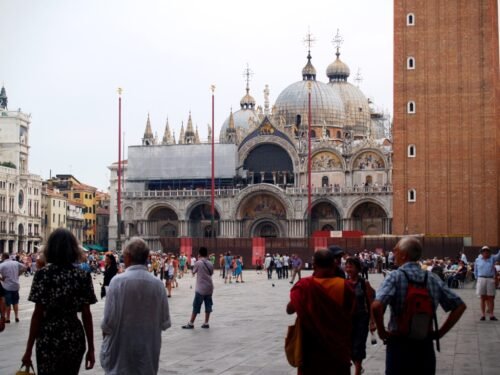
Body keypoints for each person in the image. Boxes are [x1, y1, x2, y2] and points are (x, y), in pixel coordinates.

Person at [372, 237, 466, 375]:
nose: (393, 251)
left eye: (396, 249)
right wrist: (440, 333)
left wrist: (381, 331)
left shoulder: (395, 276)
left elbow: (376, 306)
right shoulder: (432, 278)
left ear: (404, 255)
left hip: (399, 344)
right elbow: (459, 306)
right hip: (424, 343)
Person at [21, 228, 97, 374]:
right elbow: (87, 314)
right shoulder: (82, 276)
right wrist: (91, 349)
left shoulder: (42, 275)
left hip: (48, 335)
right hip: (73, 335)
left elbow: (38, 314)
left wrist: (28, 349)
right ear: (74, 249)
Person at [100, 237, 171, 374]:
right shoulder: (158, 285)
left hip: (120, 356)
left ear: (127, 257)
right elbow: (164, 322)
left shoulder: (117, 282)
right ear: (146, 257)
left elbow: (108, 323)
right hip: (148, 356)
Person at [286, 249, 354, 375]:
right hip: (338, 349)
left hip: (311, 349)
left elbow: (289, 310)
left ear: (314, 265)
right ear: (334, 265)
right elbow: (350, 313)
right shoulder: (345, 286)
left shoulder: (305, 285)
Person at [345, 257, 376, 375]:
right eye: (347, 266)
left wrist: (372, 321)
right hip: (348, 319)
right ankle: (359, 366)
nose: (348, 269)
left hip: (362, 318)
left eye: (351, 266)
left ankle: (357, 371)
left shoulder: (364, 283)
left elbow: (370, 302)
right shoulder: (345, 282)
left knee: (358, 345)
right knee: (348, 345)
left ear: (358, 268)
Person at [182, 246, 214, 329]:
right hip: (209, 287)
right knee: (208, 305)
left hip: (200, 288)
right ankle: (206, 322)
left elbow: (193, 272)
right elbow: (211, 273)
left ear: (199, 254)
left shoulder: (198, 263)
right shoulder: (210, 263)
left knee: (196, 305)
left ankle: (191, 323)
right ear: (206, 254)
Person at [474, 245, 500, 321]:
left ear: (490, 252)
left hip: (490, 279)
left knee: (491, 297)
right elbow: (475, 270)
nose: (486, 252)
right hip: (481, 278)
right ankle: (483, 315)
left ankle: (491, 315)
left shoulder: (492, 258)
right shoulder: (477, 260)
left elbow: (499, 256)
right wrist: (477, 278)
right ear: (481, 252)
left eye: (487, 251)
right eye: (484, 251)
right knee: (482, 298)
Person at [0, 252, 27, 323]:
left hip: (7, 286)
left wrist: (1, 279)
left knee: (7, 303)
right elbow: (25, 267)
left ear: (3, 257)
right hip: (16, 285)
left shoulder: (2, 265)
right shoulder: (15, 263)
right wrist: (19, 274)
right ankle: (16, 316)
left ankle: (8, 318)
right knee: (15, 302)